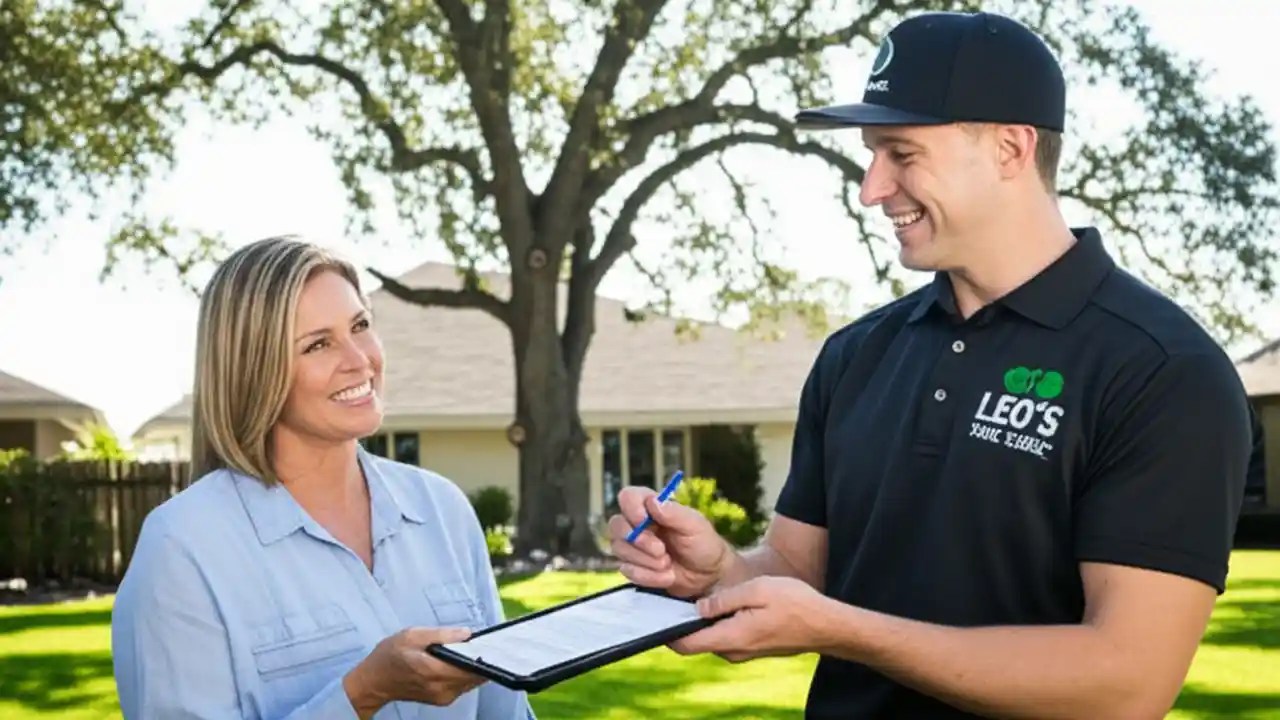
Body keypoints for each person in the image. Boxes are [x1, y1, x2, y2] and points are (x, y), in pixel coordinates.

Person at [609, 10, 1258, 720]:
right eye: (871, 154)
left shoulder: (1161, 372)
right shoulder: (857, 356)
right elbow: (802, 574)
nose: (870, 188)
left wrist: (847, 631)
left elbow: (1126, 684)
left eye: (902, 153)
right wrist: (717, 572)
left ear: (1012, 148)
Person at [112, 237, 535, 720]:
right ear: (255, 371)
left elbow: (505, 711)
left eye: (360, 326)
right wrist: (362, 694)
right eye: (318, 344)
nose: (360, 360)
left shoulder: (441, 509)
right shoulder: (183, 549)